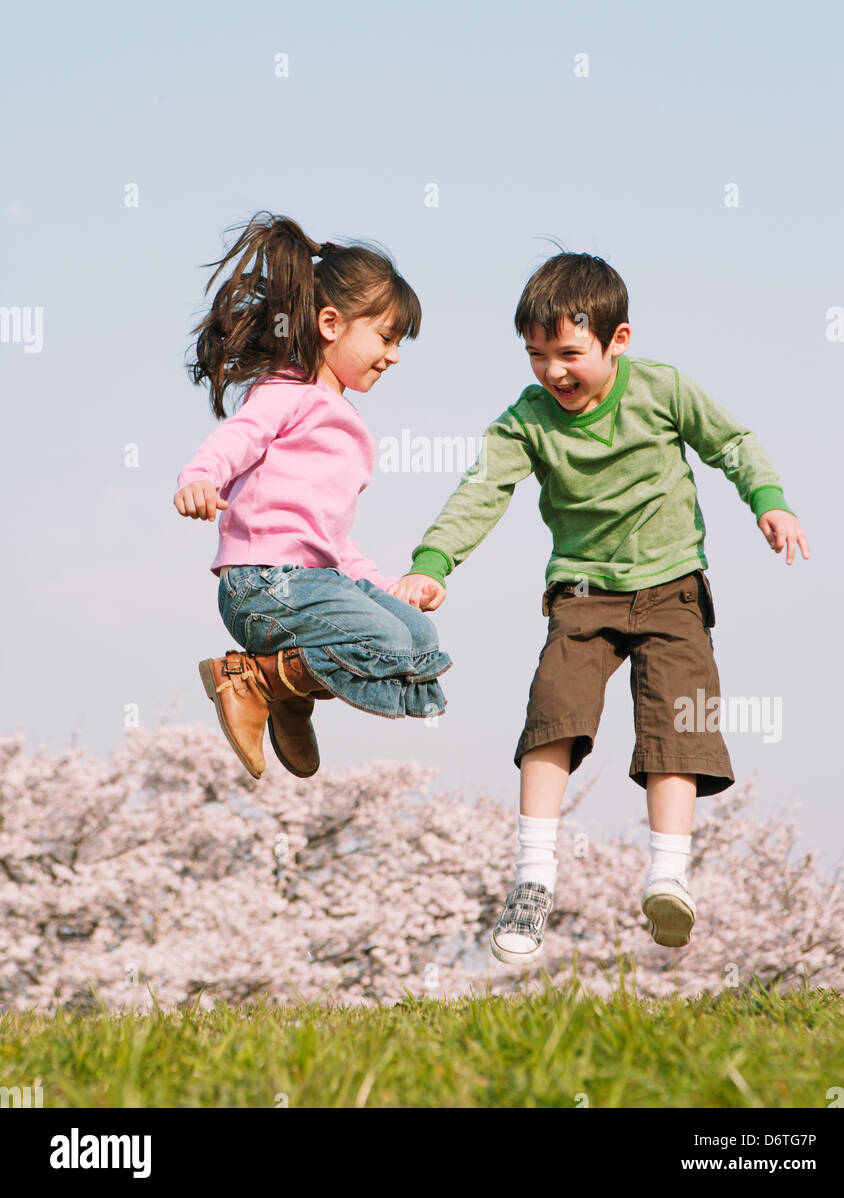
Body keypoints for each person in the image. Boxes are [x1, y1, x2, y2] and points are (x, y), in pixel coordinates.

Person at [392, 251, 809, 956]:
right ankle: (533, 877)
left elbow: (732, 444)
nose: (553, 371)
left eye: (569, 353)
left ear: (618, 341)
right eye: (536, 355)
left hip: (673, 583)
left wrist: (769, 503)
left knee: (680, 717)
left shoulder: (663, 389)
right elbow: (481, 491)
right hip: (582, 590)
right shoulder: (528, 421)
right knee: (554, 710)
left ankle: (668, 876)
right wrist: (434, 565)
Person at [173, 211, 451, 781]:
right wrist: (198, 477)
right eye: (386, 337)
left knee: (419, 638)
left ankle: (289, 693)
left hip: (314, 581)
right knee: (390, 641)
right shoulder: (287, 390)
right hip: (264, 583)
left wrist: (384, 587)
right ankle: (252, 681)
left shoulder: (346, 424)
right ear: (331, 322)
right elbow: (235, 439)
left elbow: (332, 542)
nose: (394, 355)